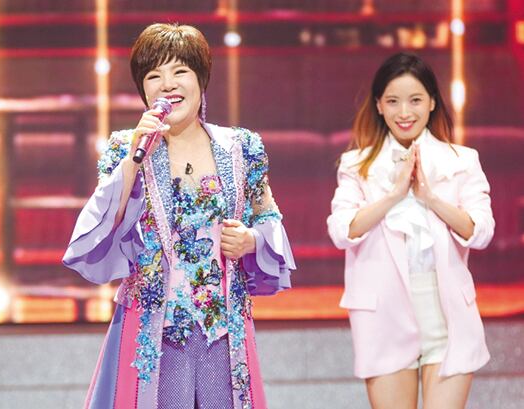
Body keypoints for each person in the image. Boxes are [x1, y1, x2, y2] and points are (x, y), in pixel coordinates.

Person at [64, 23, 295, 408]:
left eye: (180, 71)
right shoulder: (125, 147)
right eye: (154, 76)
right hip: (152, 329)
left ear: (201, 80)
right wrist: (132, 160)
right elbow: (101, 226)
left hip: (222, 331)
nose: (168, 85)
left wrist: (251, 239)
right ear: (143, 89)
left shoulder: (242, 147)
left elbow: (269, 218)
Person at [327, 52, 494, 409]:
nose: (405, 112)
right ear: (379, 105)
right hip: (383, 316)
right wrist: (394, 195)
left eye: (415, 100)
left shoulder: (463, 160)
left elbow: (481, 231)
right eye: (393, 101)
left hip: (447, 317)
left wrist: (430, 198)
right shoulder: (356, 165)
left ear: (432, 102)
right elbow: (341, 230)